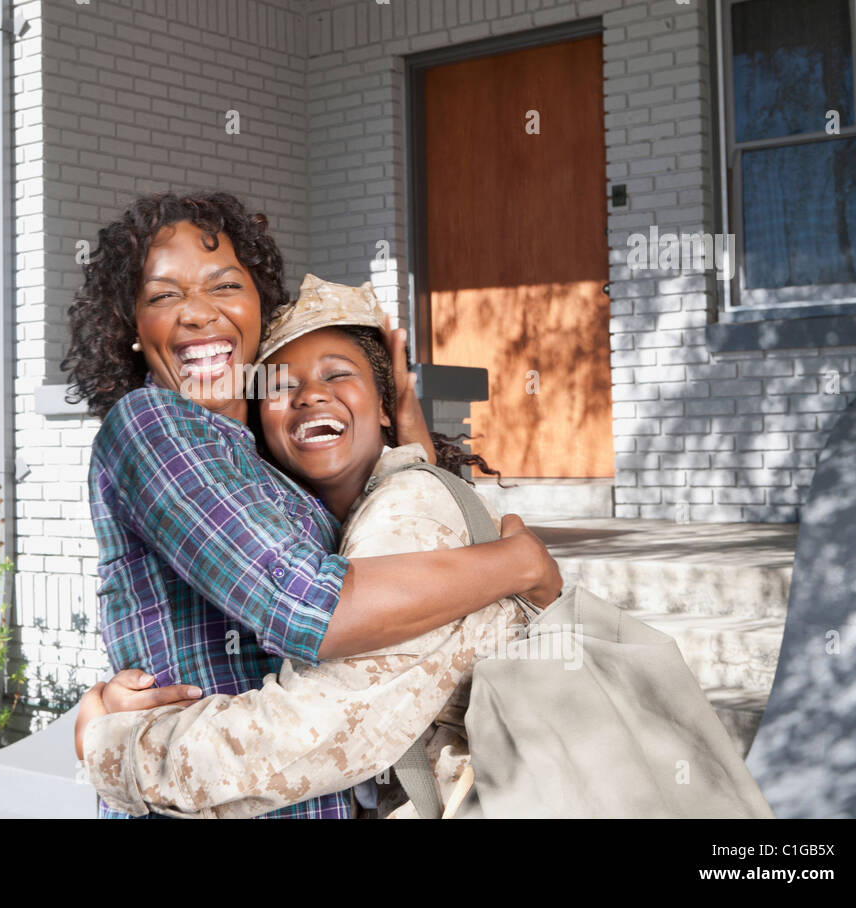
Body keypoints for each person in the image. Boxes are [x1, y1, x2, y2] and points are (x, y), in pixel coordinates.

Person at [64, 192, 563, 818]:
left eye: (224, 286)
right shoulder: (152, 425)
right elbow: (307, 607)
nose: (197, 313)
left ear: (258, 307)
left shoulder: (263, 461)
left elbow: (403, 579)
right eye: (164, 295)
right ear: (130, 327)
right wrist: (518, 564)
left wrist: (404, 430)